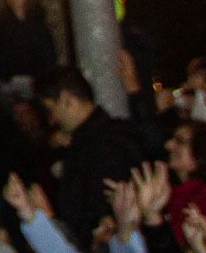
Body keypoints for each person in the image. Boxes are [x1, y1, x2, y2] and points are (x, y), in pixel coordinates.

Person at [41, 66, 140, 243]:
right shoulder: (84, 142)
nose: (52, 120)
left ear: (67, 100)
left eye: (51, 109)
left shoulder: (108, 142)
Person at [0, 0, 58, 97]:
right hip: (8, 82)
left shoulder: (38, 23)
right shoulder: (1, 25)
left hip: (34, 82)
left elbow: (48, 53)